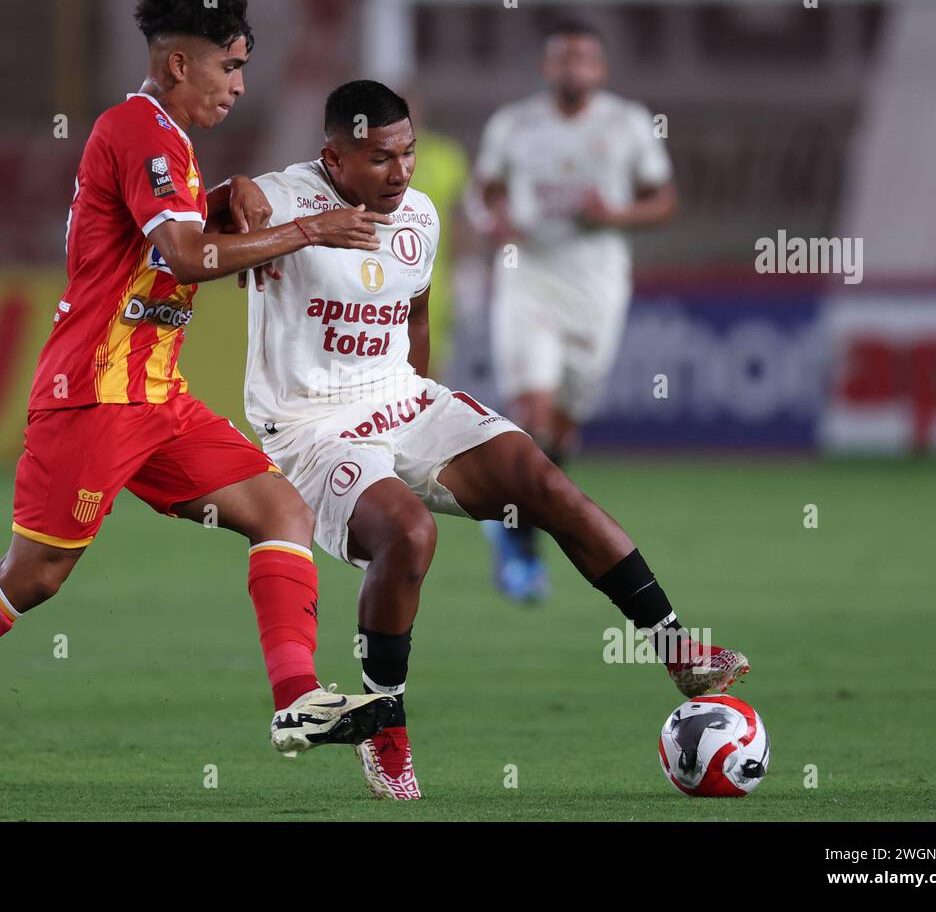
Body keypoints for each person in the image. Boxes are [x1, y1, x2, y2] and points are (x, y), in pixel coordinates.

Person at [0, 0, 396, 811]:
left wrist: (218, 202)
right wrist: (307, 226)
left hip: (158, 396)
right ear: (176, 64)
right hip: (93, 391)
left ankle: (296, 700)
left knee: (282, 511)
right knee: (36, 575)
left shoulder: (163, 136)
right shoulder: (142, 128)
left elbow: (160, 235)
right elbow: (184, 257)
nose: (240, 85)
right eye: (229, 67)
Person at [240, 80, 745, 800]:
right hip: (311, 426)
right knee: (409, 536)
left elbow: (412, 311)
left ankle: (677, 650)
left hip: (401, 397)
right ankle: (386, 731)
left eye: (409, 152)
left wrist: (422, 397)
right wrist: (236, 195)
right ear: (334, 157)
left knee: (543, 482)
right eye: (381, 158)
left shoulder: (418, 214)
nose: (401, 171)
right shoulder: (284, 197)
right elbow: (199, 226)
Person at [476, 19, 678, 600]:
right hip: (528, 276)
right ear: (547, 68)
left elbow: (663, 201)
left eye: (584, 59)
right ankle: (520, 548)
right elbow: (487, 190)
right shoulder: (514, 124)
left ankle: (509, 518)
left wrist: (615, 215)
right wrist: (496, 222)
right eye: (563, 59)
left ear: (602, 69)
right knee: (532, 411)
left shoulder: (628, 123)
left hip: (597, 286)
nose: (573, 69)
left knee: (563, 428)